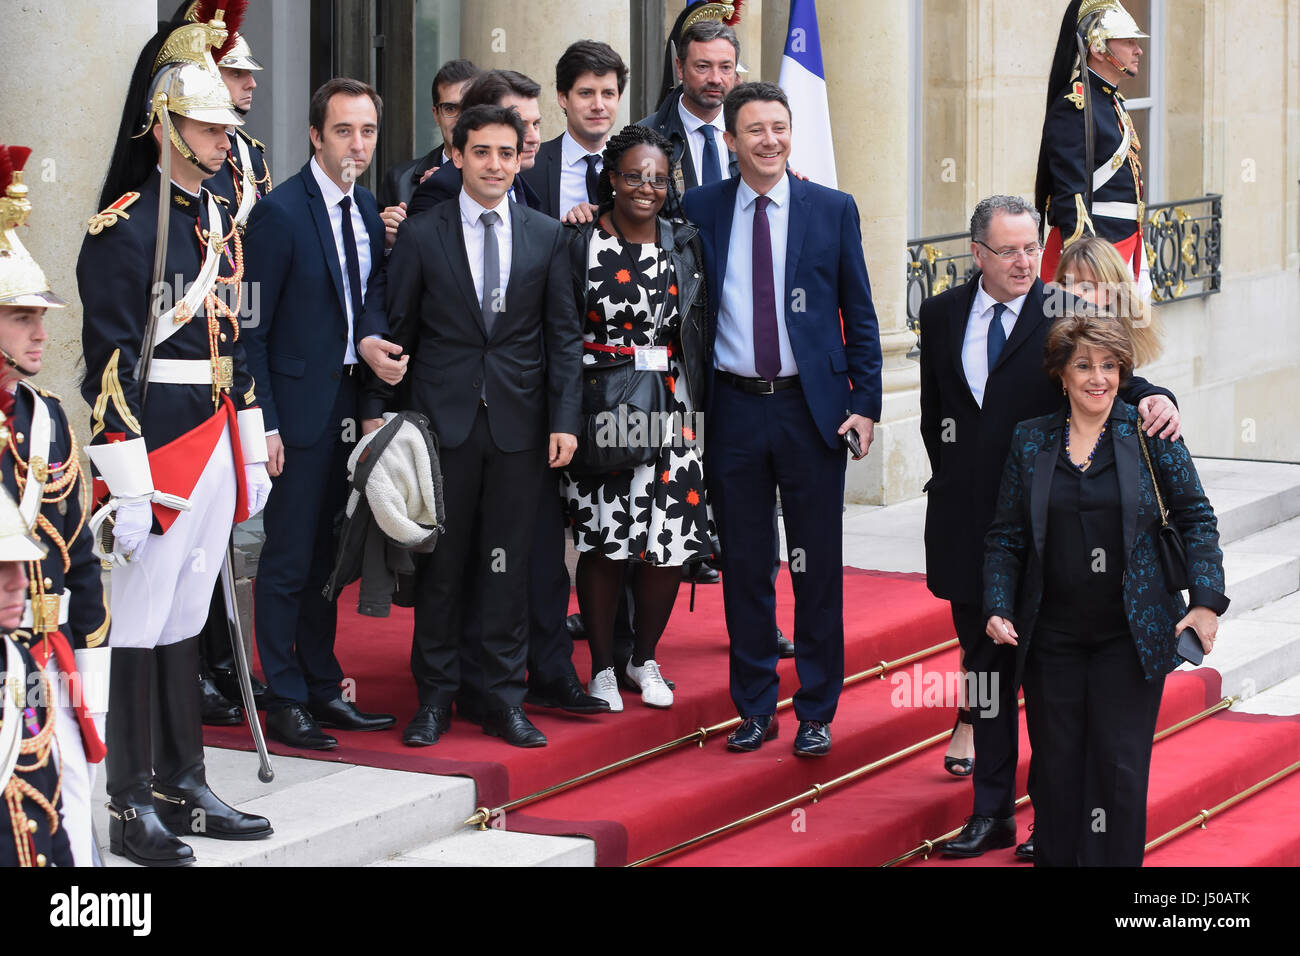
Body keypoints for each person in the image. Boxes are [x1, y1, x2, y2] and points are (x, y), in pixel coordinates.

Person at [918, 194, 1180, 860]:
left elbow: (1112, 376)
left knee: (1048, 690)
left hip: (1040, 536)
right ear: (976, 253)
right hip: (964, 527)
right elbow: (934, 418)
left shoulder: (1062, 310)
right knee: (984, 673)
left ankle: (1049, 820)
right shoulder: (942, 314)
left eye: (1032, 249)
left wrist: (1159, 399)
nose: (1023, 261)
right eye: (1008, 251)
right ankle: (991, 812)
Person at [77, 7, 273, 866]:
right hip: (158, 443)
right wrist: (122, 477)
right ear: (167, 127)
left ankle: (182, 781)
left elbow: (240, 334)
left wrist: (254, 429)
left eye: (227, 125)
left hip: (218, 431)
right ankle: (129, 801)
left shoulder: (220, 217)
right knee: (139, 621)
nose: (225, 137)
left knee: (188, 616)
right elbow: (107, 366)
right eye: (206, 124)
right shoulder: (125, 227)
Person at [365, 104, 583, 748]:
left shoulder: (546, 235)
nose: (494, 165)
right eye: (481, 152)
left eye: (506, 153)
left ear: (522, 159)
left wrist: (565, 420)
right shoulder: (424, 236)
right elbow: (398, 329)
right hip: (441, 427)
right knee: (442, 567)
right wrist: (375, 414)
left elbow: (563, 339)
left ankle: (501, 698)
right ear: (455, 155)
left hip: (522, 429)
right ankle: (434, 698)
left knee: (506, 568)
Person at [984, 313, 1228, 866]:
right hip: (1053, 638)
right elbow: (1006, 536)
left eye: (1110, 366)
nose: (1099, 378)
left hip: (1130, 636)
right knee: (1059, 768)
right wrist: (998, 603)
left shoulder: (1149, 433)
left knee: (1118, 773)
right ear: (1062, 375)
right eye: (1085, 366)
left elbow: (1195, 517)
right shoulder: (1031, 441)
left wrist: (1206, 602)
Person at [683, 82, 881, 757]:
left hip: (810, 412)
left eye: (779, 127)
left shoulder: (830, 209)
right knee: (744, 564)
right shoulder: (699, 209)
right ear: (731, 141)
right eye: (755, 130)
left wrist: (865, 403)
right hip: (734, 407)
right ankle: (755, 708)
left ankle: (818, 710)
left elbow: (860, 311)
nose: (770, 140)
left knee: (816, 566)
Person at [242, 77, 398, 751]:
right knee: (286, 558)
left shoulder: (366, 209)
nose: (356, 144)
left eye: (366, 131)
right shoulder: (278, 214)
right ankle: (283, 697)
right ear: (315, 136)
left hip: (347, 403)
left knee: (332, 558)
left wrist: (370, 407)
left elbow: (367, 311)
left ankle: (322, 685)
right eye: (343, 131)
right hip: (294, 413)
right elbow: (249, 329)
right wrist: (265, 424)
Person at [562, 125, 712, 711]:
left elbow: (696, 330)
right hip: (605, 404)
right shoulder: (578, 241)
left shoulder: (684, 240)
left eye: (657, 177)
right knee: (607, 540)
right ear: (611, 178)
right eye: (633, 175)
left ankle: (642, 657)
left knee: (668, 541)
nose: (646, 187)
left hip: (673, 407)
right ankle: (601, 666)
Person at [0, 146, 108, 867]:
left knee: (61, 825)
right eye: (20, 316)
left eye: (40, 314)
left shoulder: (48, 419)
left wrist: (88, 680)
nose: (42, 331)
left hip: (50, 656)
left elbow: (79, 558)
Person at [168, 0, 273, 728]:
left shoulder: (251, 157)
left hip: (236, 320)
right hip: (186, 326)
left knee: (229, 525)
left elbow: (249, 253)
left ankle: (221, 662)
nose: (248, 85)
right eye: (233, 72)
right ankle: (197, 671)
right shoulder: (178, 164)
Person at [1035, 0, 1149, 290]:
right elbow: (1071, 193)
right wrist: (1083, 264)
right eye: (1128, 42)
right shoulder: (1075, 106)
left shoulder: (1112, 101)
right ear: (1098, 47)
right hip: (1097, 251)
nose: (1138, 50)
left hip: (1125, 242)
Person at [0, 485, 74, 868]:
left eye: (18, 564)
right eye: (1, 568)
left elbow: (47, 800)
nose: (21, 581)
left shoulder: (18, 662)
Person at [402, 70, 546, 218]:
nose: (534, 138)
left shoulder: (527, 185)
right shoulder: (440, 190)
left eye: (536, 124)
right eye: (520, 125)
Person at [522, 40, 626, 221]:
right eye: (586, 93)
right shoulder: (529, 167)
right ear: (563, 98)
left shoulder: (635, 167)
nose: (598, 106)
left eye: (608, 93)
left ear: (619, 98)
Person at [640, 14, 741, 193]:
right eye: (703, 66)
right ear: (680, 68)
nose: (715, 79)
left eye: (725, 67)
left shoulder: (754, 133)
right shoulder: (644, 137)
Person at [378, 58, 478, 210]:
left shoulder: (505, 175)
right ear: (436, 115)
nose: (461, 119)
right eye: (450, 109)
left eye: (469, 108)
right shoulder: (399, 180)